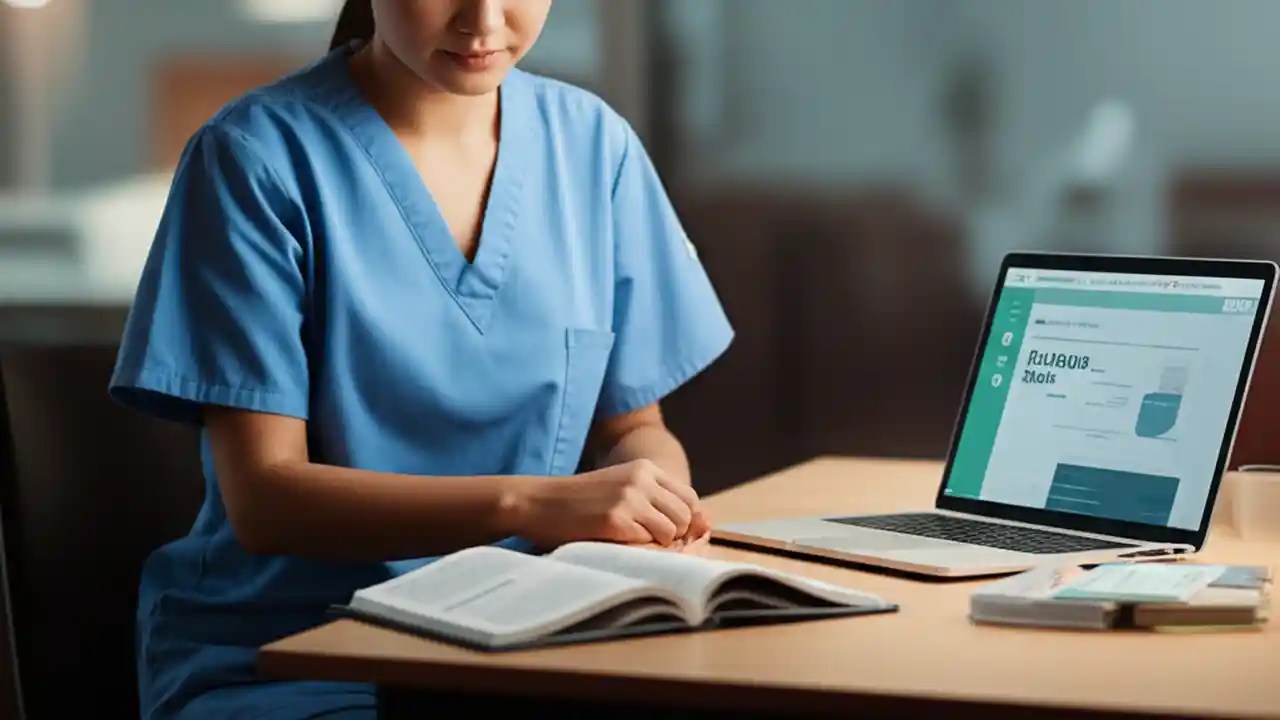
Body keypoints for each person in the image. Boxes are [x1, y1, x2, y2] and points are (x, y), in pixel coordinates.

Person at [107, 1, 734, 717]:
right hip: (297, 655)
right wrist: (531, 504)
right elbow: (264, 498)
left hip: (536, 647)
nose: (485, 19)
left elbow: (632, 428)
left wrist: (657, 514)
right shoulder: (254, 159)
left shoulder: (594, 148)